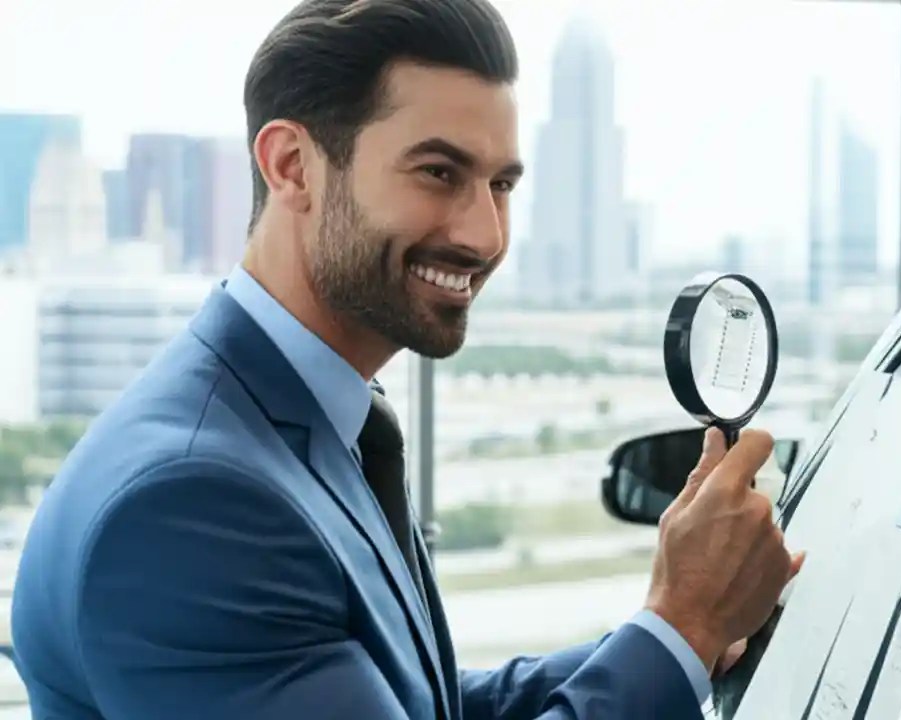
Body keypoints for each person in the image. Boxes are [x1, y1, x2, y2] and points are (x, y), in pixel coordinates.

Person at [9, 1, 803, 718]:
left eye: (500, 184)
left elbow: (413, 706)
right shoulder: (192, 505)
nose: (485, 235)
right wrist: (680, 628)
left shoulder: (307, 421)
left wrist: (680, 632)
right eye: (439, 173)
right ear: (293, 166)